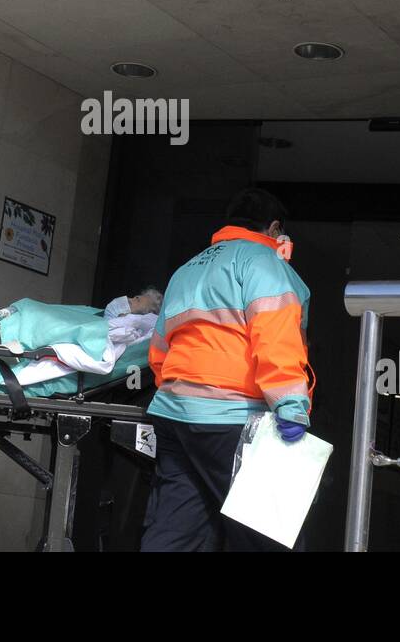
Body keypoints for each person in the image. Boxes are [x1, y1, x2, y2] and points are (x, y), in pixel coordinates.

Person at [140, 187, 314, 552]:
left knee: (178, 529)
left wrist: (178, 391)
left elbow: (158, 350)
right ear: (275, 227)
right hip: (232, 420)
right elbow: (276, 338)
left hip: (174, 415)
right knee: (265, 535)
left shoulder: (187, 269)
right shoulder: (266, 265)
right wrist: (291, 407)